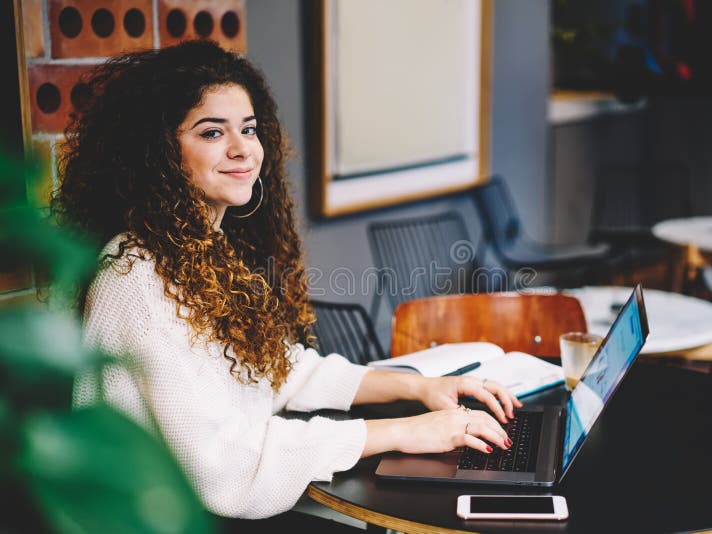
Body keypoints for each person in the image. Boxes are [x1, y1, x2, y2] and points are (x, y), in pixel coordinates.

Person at [51, 39, 521, 529]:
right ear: (158, 151)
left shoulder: (198, 251)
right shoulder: (134, 278)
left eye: (248, 129)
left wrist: (422, 388)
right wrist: (405, 432)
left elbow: (275, 369)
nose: (242, 149)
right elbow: (222, 465)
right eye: (212, 132)